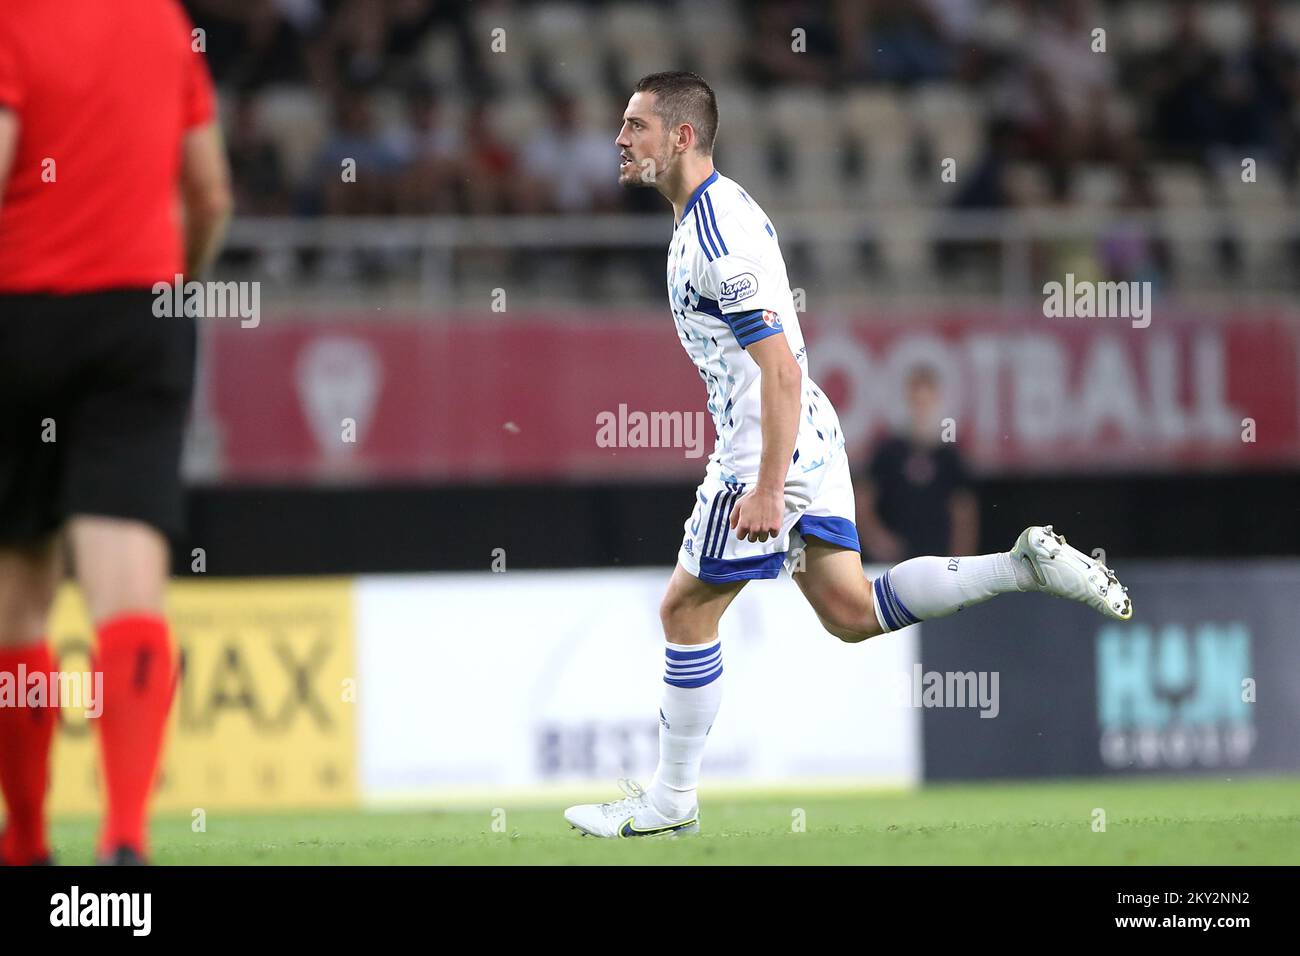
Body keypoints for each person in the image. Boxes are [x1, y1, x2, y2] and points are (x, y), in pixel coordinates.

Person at [564, 72, 1131, 839]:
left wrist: (765, 486)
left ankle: (671, 803)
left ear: (682, 136)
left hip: (768, 447)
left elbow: (778, 369)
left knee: (684, 608)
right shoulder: (705, 217)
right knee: (851, 612)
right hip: (807, 434)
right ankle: (1020, 566)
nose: (621, 139)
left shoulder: (717, 234)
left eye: (635, 125)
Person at [0, 0, 232, 864]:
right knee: (128, 588)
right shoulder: (164, 23)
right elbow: (209, 191)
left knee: (18, 592)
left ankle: (24, 841)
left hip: (19, 317)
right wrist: (179, 283)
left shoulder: (13, 22)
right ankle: (125, 836)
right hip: (142, 315)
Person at [856, 365, 977, 563]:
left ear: (936, 400)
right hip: (894, 564)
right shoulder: (889, 452)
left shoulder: (949, 456)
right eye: (917, 401)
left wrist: (960, 562)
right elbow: (862, 502)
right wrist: (877, 540)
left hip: (937, 561)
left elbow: (964, 513)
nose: (921, 407)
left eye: (926, 401)